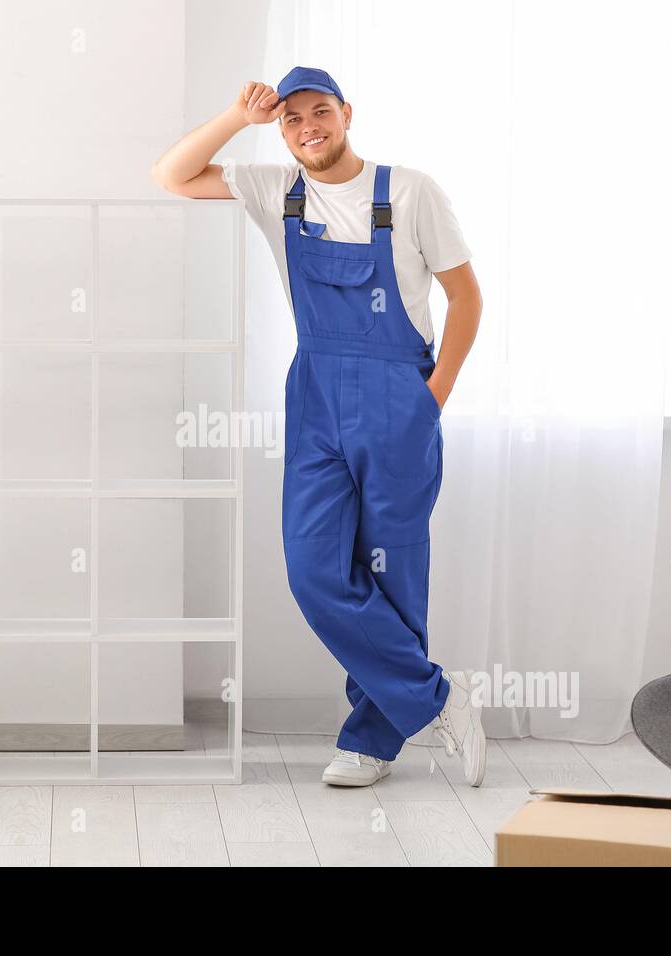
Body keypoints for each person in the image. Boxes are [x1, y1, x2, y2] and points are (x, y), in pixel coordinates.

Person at [151, 66, 486, 787]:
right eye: (293, 118)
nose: (309, 128)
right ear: (283, 129)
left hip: (401, 393)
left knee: (394, 572)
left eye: (321, 113)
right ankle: (439, 698)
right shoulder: (277, 191)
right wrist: (237, 117)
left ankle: (370, 742)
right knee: (313, 571)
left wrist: (434, 397)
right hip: (316, 398)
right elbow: (172, 175)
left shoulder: (410, 190)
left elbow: (466, 299)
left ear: (347, 114)